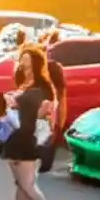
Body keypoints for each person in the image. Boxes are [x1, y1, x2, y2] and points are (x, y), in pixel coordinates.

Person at [0, 45, 57, 200]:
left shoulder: (43, 87)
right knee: (20, 186)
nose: (23, 61)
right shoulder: (23, 83)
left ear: (36, 62)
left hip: (29, 140)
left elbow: (43, 113)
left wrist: (18, 103)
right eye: (22, 57)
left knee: (28, 185)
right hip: (15, 139)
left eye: (28, 58)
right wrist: (14, 101)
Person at [17, 31, 66, 174]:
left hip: (40, 127)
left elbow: (61, 99)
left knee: (28, 180)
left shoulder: (53, 71)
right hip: (37, 127)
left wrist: (59, 125)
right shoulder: (29, 73)